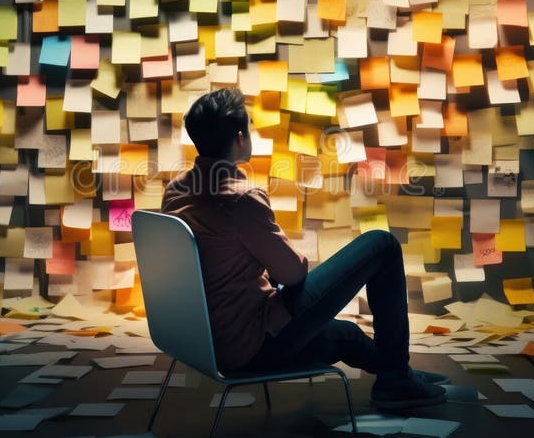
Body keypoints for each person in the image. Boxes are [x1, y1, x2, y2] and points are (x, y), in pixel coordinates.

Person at [161, 88, 448, 409]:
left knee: (348, 336)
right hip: (250, 345)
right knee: (382, 244)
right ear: (240, 138)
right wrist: (290, 259)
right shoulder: (241, 199)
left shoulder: (177, 189)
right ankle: (398, 379)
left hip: (206, 340)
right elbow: (293, 272)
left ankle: (397, 374)